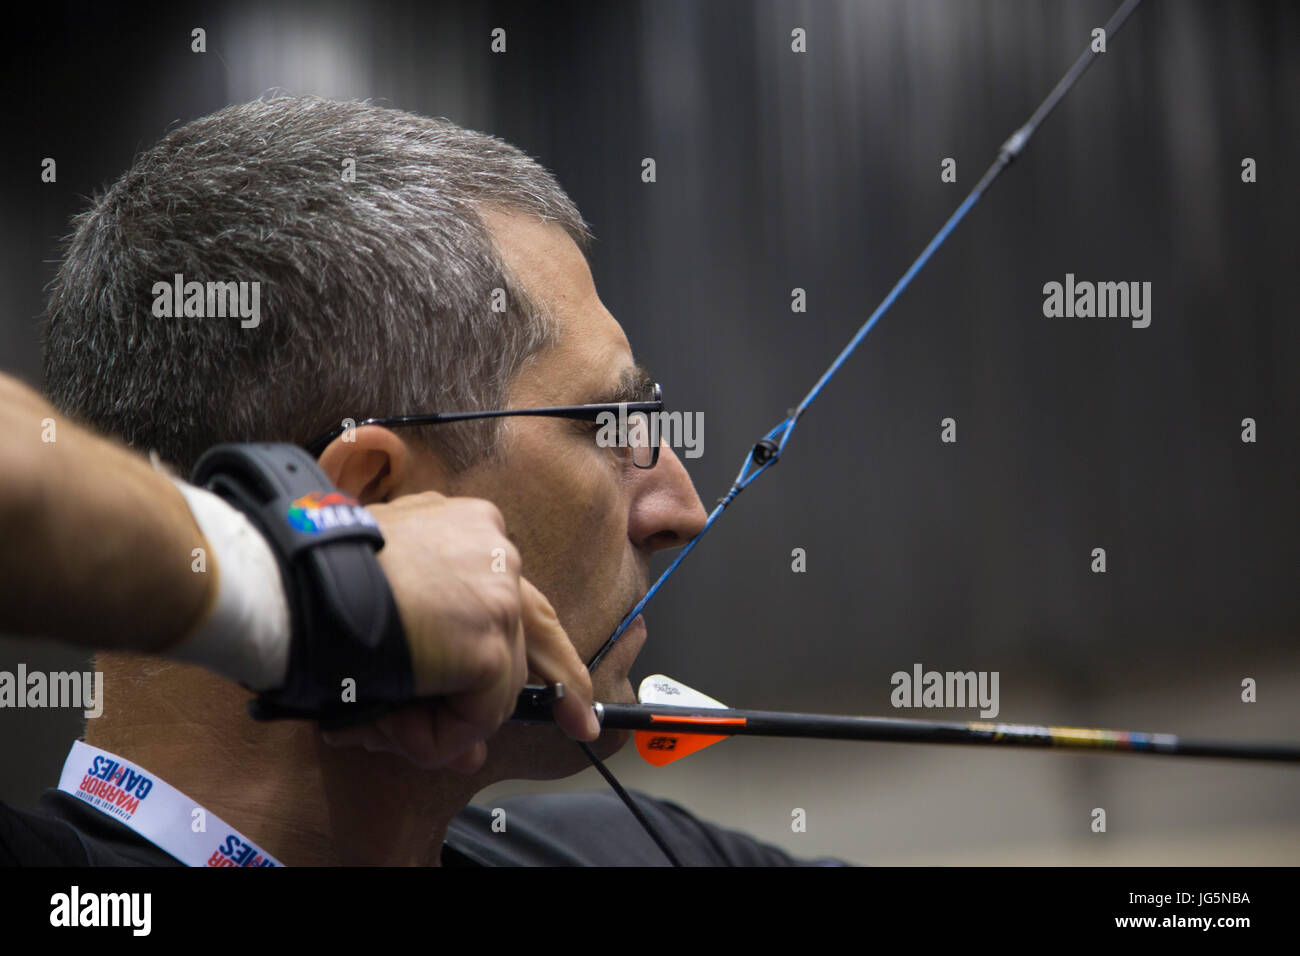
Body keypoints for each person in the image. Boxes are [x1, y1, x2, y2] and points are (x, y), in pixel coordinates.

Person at [2, 96, 845, 866]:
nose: (680, 511)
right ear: (369, 503)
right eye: (606, 426)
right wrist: (301, 585)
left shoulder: (639, 852)